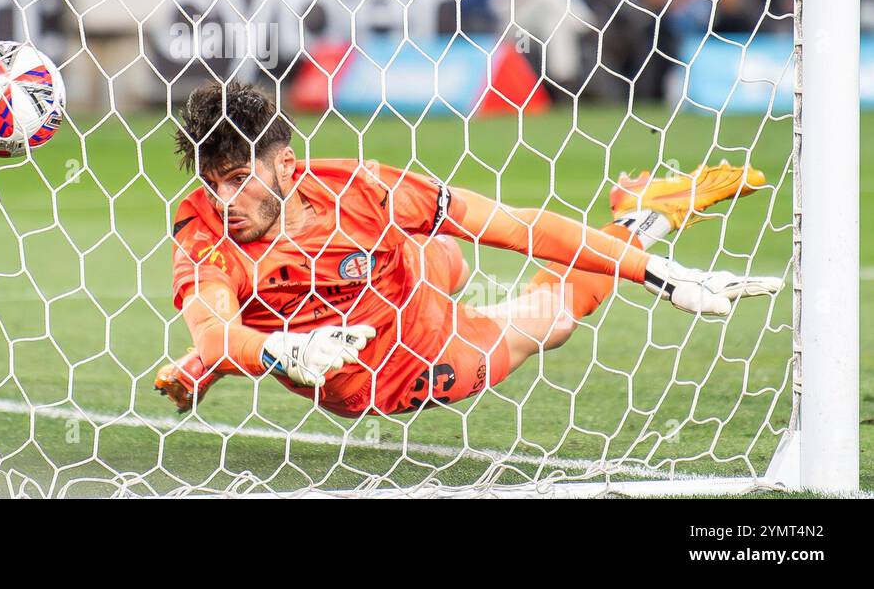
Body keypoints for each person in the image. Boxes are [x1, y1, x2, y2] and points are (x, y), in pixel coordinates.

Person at [154, 81, 777, 416]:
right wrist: (261, 353)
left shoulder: (363, 188)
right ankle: (646, 216)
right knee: (548, 319)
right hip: (381, 372)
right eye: (212, 183)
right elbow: (213, 329)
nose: (224, 198)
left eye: (239, 178)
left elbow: (513, 224)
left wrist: (657, 275)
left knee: (464, 262)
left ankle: (644, 226)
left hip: (414, 324)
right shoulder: (203, 231)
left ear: (286, 166)